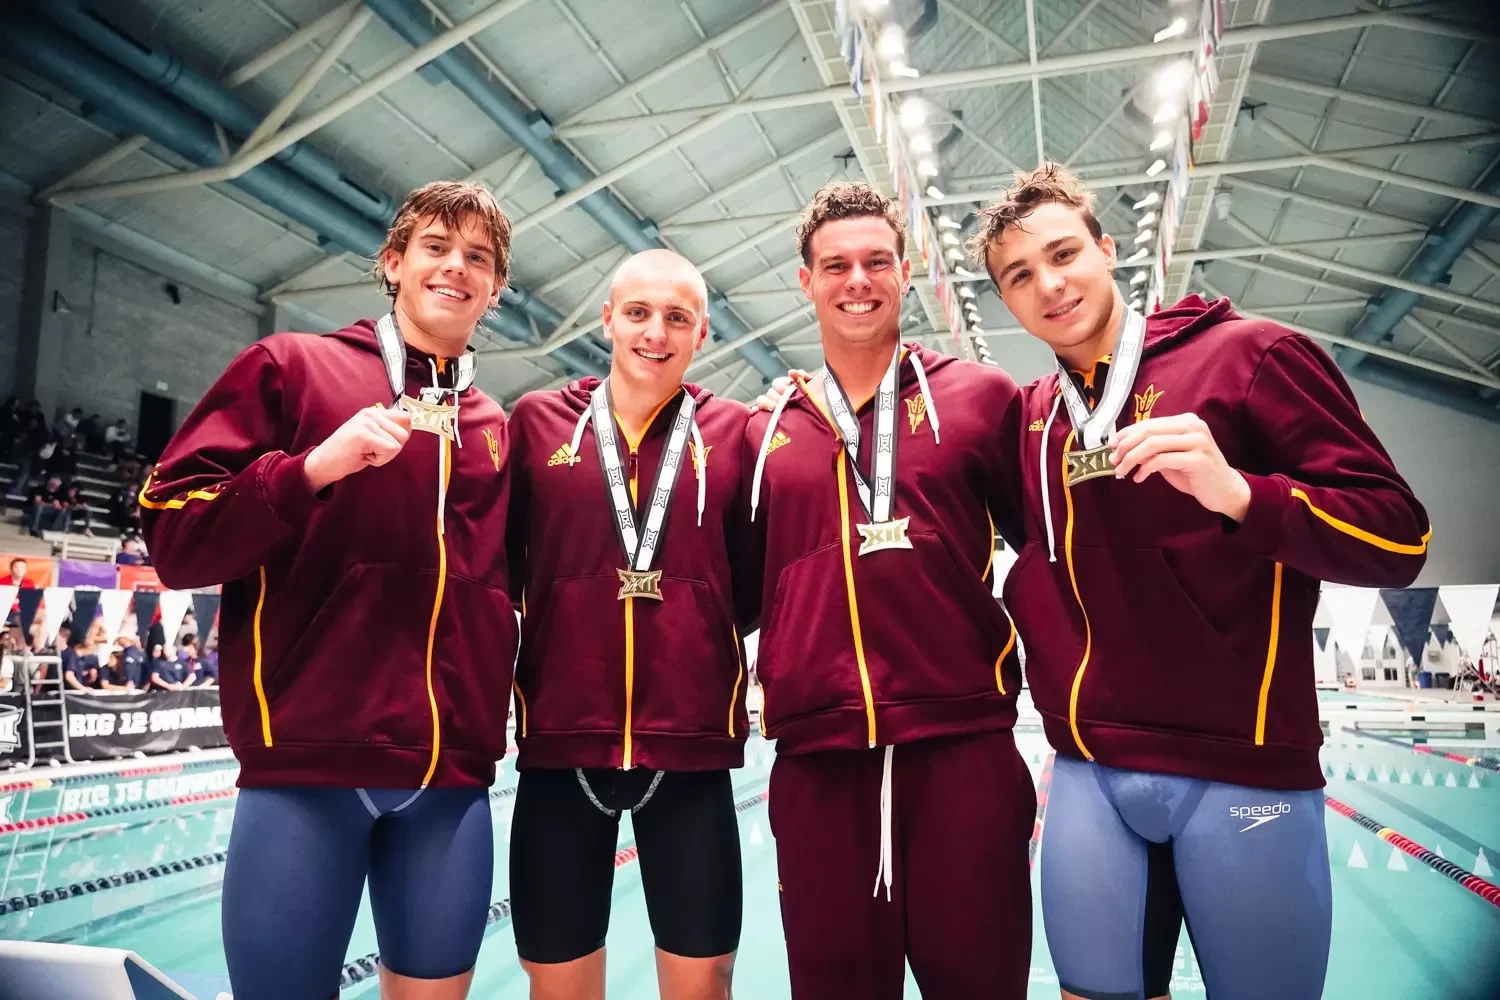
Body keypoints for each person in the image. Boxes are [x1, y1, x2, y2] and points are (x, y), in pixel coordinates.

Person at [966, 163, 1430, 1000]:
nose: (1050, 284)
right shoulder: (1031, 418)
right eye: (1020, 277)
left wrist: (1242, 495)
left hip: (1243, 767)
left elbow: (1400, 535)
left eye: (1065, 253)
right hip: (1088, 770)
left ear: (1109, 250)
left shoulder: (1251, 357)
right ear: (1007, 302)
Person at [139, 180, 519, 1000]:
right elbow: (172, 536)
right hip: (306, 774)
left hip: (448, 785)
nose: (457, 267)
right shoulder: (290, 369)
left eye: (478, 258)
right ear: (393, 263)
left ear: (495, 289)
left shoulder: (494, 429)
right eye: (437, 248)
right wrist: (307, 470)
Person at [742, 181, 1034, 999]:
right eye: (835, 265)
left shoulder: (980, 400)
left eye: (875, 262)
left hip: (964, 753)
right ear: (806, 282)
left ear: (905, 271)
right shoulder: (763, 429)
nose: (857, 280)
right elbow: (733, 586)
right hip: (819, 764)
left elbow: (1055, 553)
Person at [504, 249, 752, 1000]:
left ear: (702, 332)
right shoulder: (535, 423)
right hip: (561, 755)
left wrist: (696, 631)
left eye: (677, 317)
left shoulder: (737, 434)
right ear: (608, 319)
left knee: (704, 985)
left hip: (691, 757)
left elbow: (755, 577)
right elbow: (506, 566)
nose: (656, 331)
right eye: (639, 312)